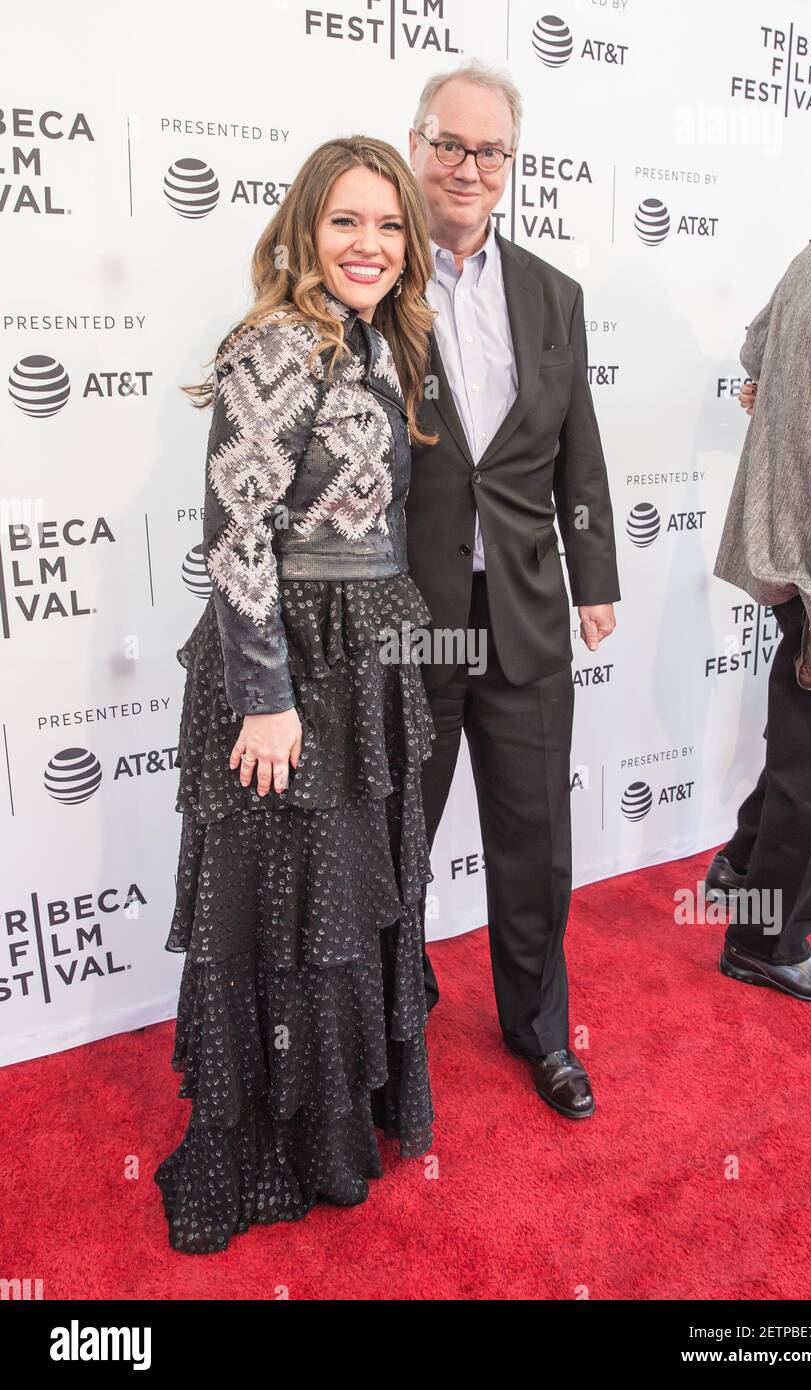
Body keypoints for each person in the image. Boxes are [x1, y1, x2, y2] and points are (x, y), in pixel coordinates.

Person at [154, 136, 440, 1253]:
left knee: (341, 904)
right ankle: (274, 1142)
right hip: (289, 672)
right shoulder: (280, 343)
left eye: (387, 225)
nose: (368, 244)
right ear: (301, 231)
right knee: (285, 911)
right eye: (345, 222)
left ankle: (331, 1130)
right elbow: (236, 535)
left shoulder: (369, 340)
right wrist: (263, 696)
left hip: (360, 656)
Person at [404, 61, 620, 1118]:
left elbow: (578, 448)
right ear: (415, 144)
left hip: (526, 609)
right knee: (396, 831)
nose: (467, 167)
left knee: (534, 842)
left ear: (510, 164)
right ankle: (394, 1028)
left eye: (489, 151)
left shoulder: (552, 293)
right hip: (412, 619)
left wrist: (596, 577)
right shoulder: (372, 274)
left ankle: (540, 1029)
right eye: (449, 144)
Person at [712, 211, 811, 1003]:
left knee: (808, 746)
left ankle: (741, 870)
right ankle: (767, 940)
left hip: (786, 543)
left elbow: (754, 357)